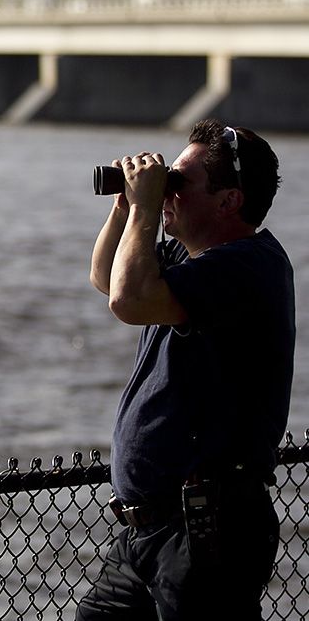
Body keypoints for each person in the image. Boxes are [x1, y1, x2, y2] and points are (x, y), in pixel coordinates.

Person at [79, 119, 295, 621]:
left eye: (180, 183)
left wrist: (150, 207)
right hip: (147, 530)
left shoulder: (246, 267)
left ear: (229, 201)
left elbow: (127, 300)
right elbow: (106, 275)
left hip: (205, 531)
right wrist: (129, 205)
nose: (169, 192)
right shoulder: (188, 254)